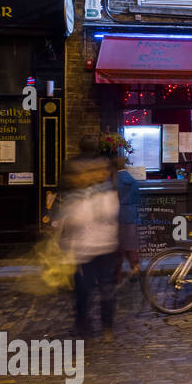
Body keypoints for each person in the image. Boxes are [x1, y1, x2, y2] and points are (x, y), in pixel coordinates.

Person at [57, 134, 120, 341]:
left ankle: (85, 326)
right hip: (104, 242)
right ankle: (105, 327)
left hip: (83, 245)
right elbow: (112, 210)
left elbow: (70, 214)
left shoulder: (74, 176)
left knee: (84, 289)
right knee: (105, 288)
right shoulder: (105, 178)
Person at [112, 154, 141, 278]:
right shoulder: (132, 180)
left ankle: (116, 275)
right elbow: (137, 198)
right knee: (131, 245)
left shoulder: (114, 180)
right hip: (131, 215)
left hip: (117, 215)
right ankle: (135, 270)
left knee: (118, 248)